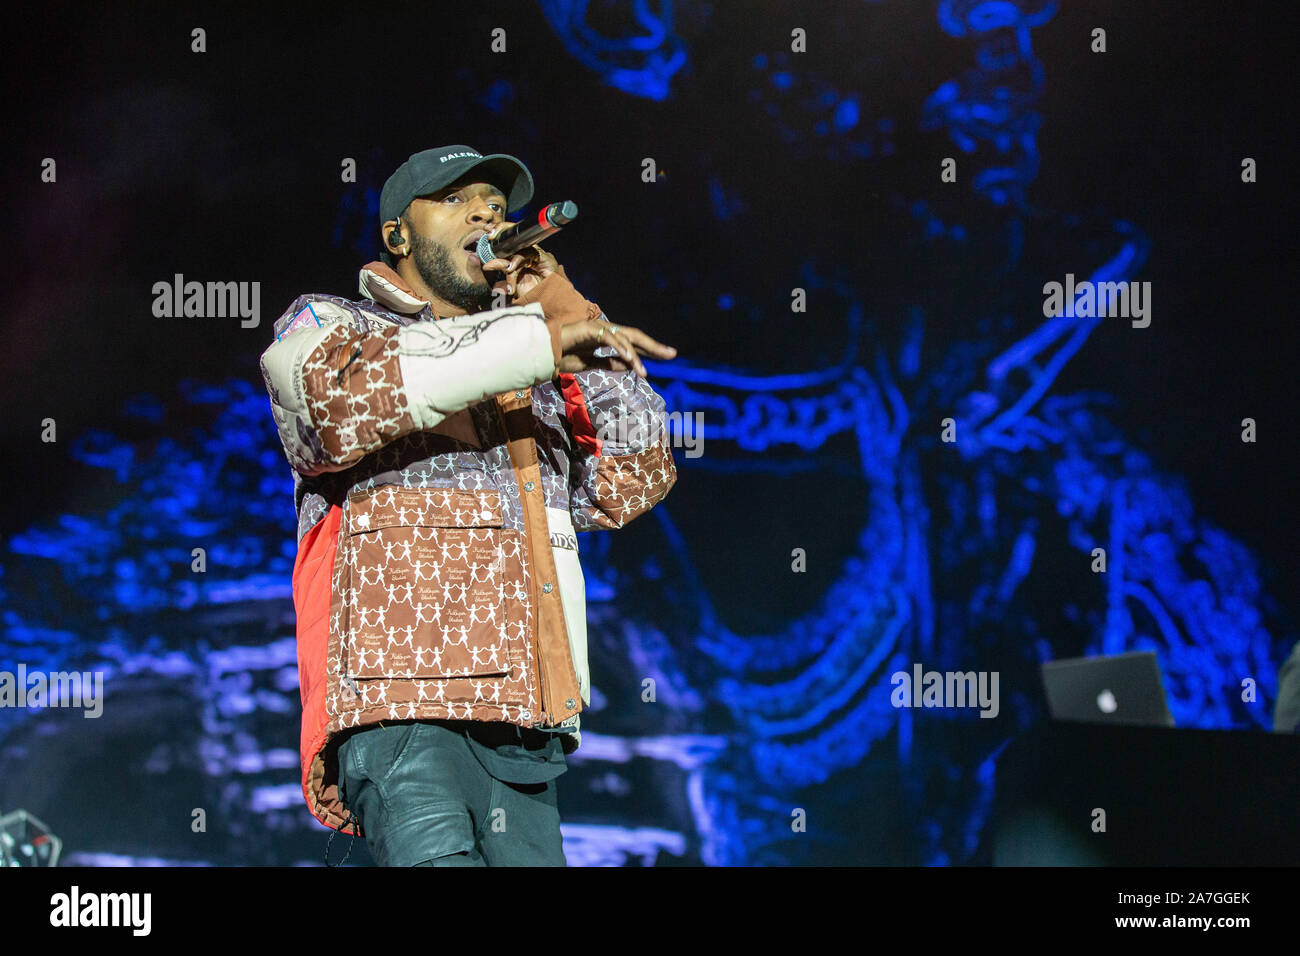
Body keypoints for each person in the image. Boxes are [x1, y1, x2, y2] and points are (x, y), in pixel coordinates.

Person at [258, 144, 679, 865]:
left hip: (523, 722)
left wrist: (567, 311)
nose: (486, 213)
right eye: (455, 200)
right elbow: (326, 410)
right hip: (402, 709)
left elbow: (635, 478)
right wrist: (531, 340)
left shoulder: (536, 370)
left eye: (494, 203)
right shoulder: (335, 326)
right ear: (397, 235)